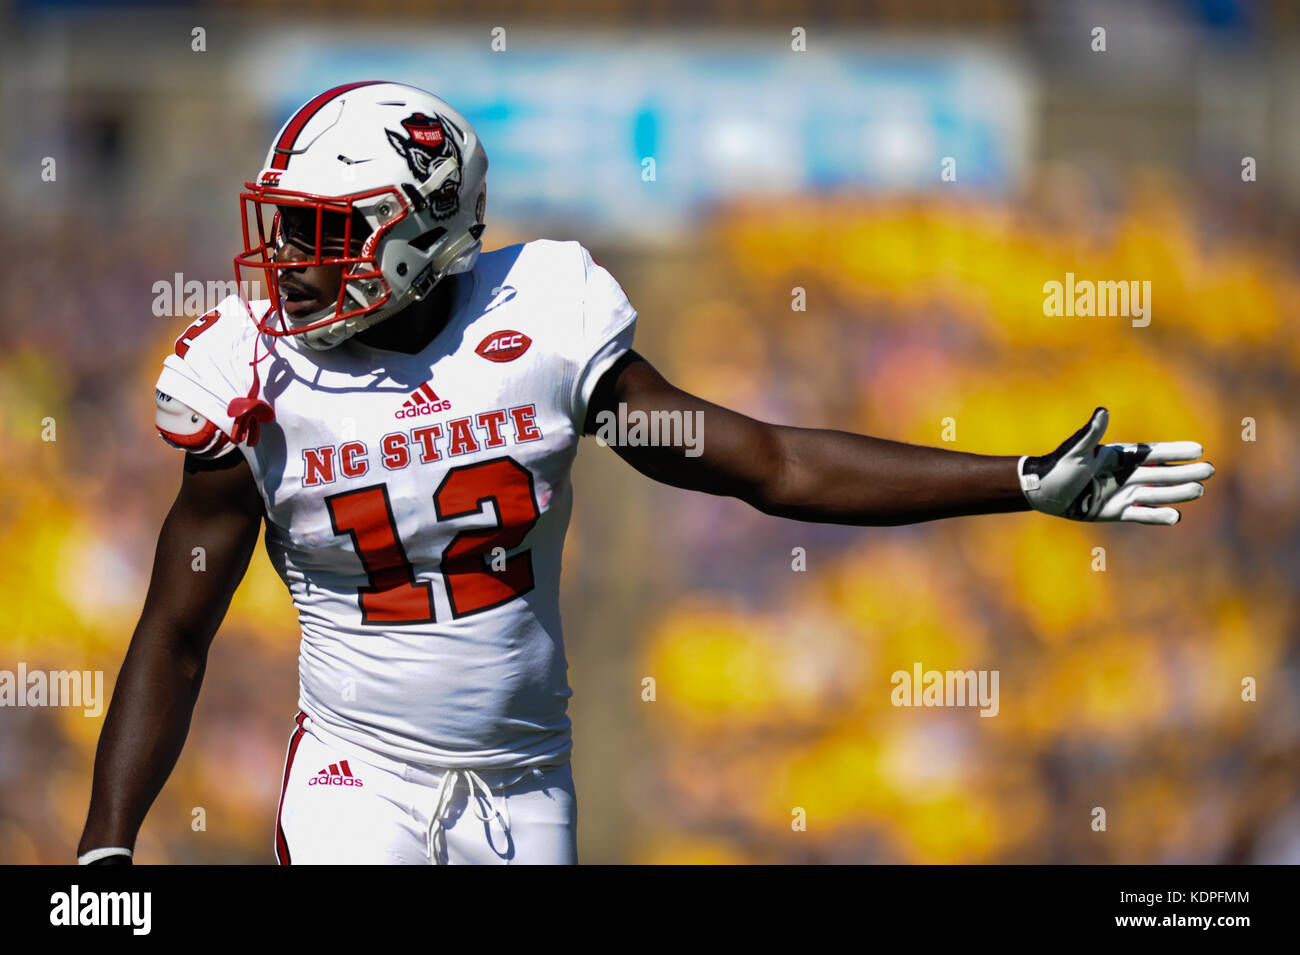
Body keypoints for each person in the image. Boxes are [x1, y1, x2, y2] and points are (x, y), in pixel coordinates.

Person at [75, 81, 1215, 866]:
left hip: (527, 788)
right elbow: (178, 627)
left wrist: (1014, 477)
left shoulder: (544, 322)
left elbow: (764, 462)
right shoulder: (245, 377)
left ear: (422, 235)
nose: (287, 267)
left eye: (324, 235)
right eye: (285, 229)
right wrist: (107, 844)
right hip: (354, 780)